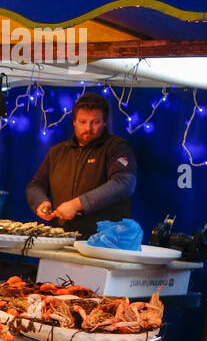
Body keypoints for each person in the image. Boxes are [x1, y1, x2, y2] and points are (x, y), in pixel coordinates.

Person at [26, 91, 137, 239]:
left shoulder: (116, 147)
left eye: (95, 122)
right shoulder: (57, 152)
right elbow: (35, 185)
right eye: (82, 122)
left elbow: (124, 183)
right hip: (62, 239)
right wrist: (41, 202)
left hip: (104, 241)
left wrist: (77, 204)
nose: (88, 128)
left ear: (104, 122)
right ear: (74, 122)